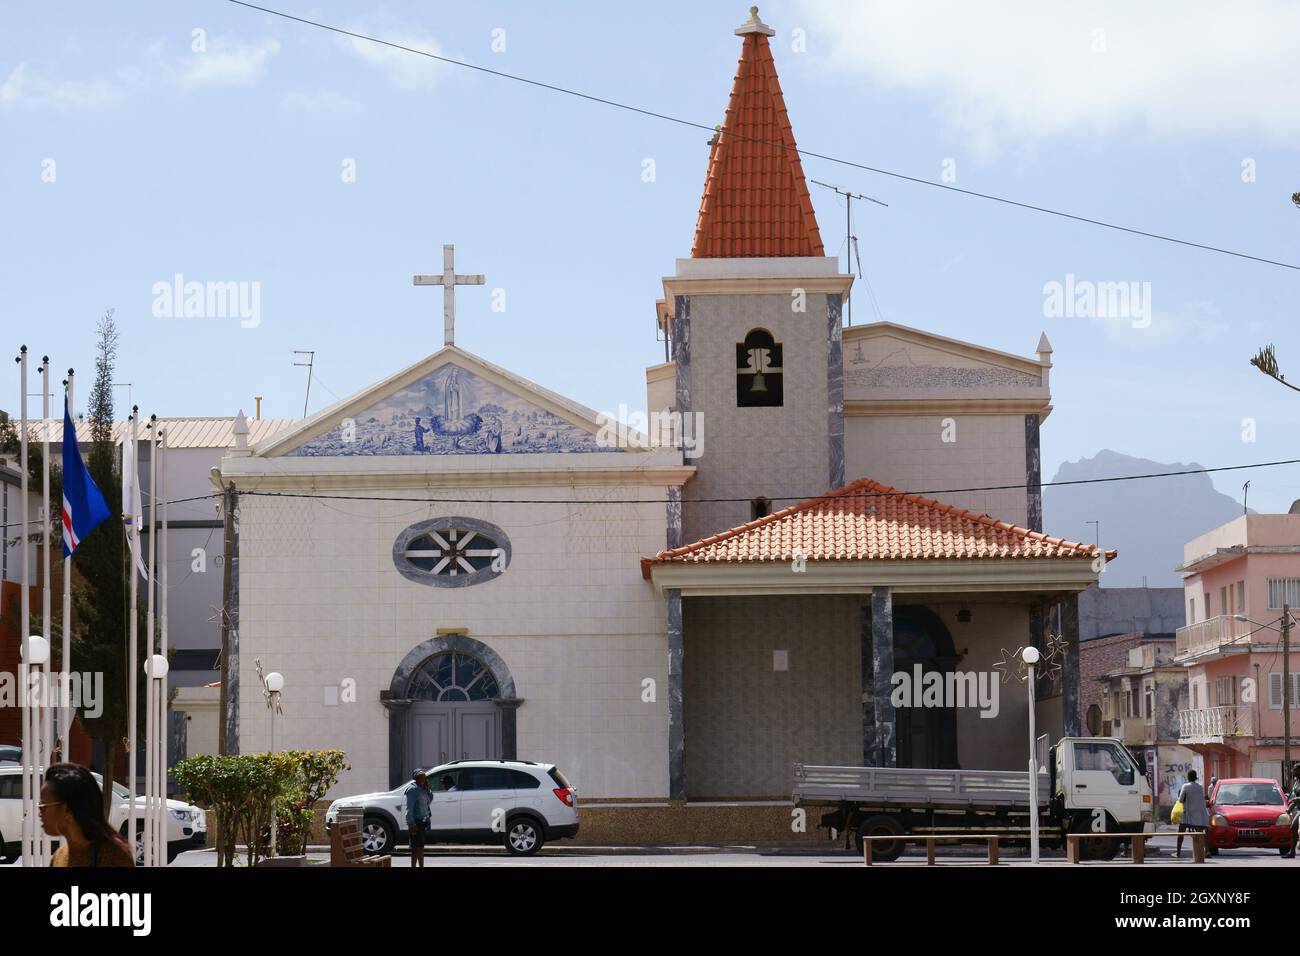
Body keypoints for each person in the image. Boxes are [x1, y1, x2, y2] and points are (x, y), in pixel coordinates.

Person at [39, 764, 134, 867]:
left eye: (43, 806)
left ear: (67, 809)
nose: (39, 813)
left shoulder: (113, 856)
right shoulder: (59, 856)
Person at [1175, 769, 1208, 859]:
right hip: (1200, 814)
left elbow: (1180, 800)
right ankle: (1207, 851)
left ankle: (1178, 852)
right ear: (1195, 777)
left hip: (1188, 814)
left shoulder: (1185, 786)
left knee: (1181, 832)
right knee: (1202, 833)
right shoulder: (1200, 786)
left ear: (1188, 777)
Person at [405, 771, 433, 868]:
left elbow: (429, 801)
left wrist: (428, 788)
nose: (423, 779)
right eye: (421, 777)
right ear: (416, 778)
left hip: (423, 821)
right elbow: (409, 809)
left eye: (424, 777)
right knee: (416, 848)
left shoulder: (423, 789)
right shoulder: (412, 790)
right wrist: (411, 824)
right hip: (416, 822)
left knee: (420, 847)